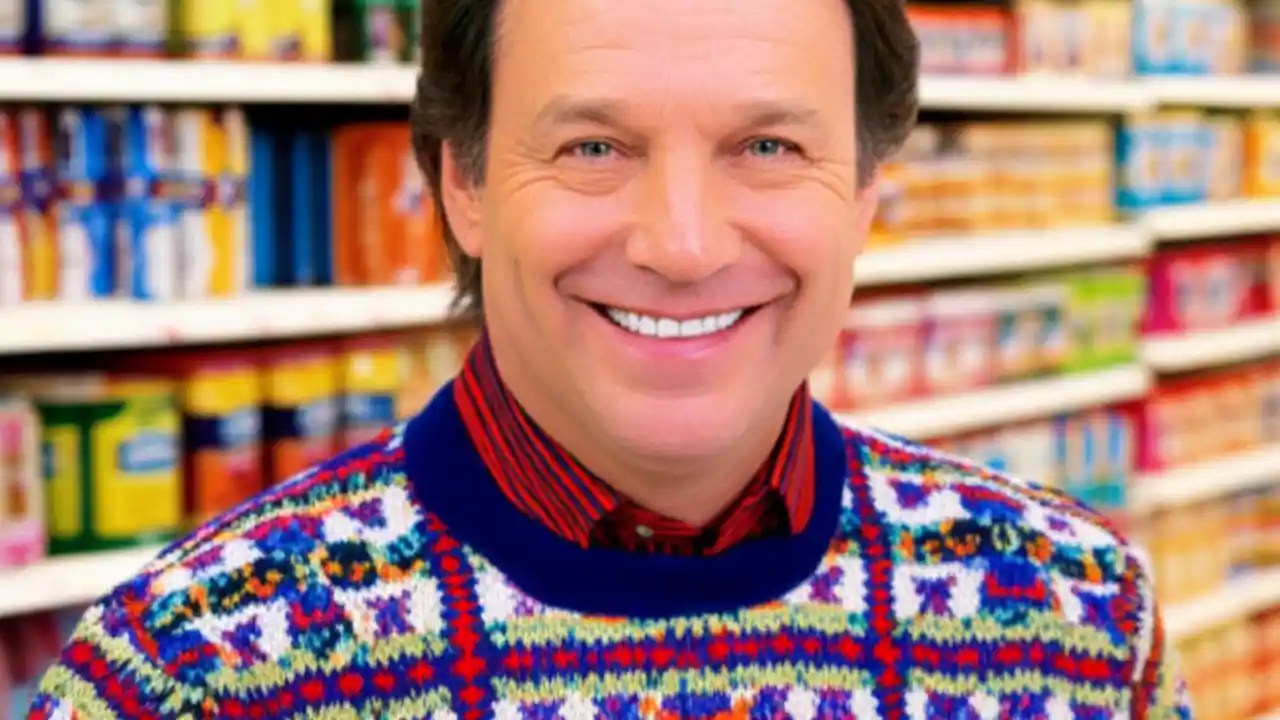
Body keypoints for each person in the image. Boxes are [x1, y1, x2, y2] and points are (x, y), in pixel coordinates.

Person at [30, 0, 1192, 717]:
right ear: (460, 183)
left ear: (862, 195)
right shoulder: (193, 666)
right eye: (592, 147)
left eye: (767, 147)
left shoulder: (1074, 616)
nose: (681, 246)